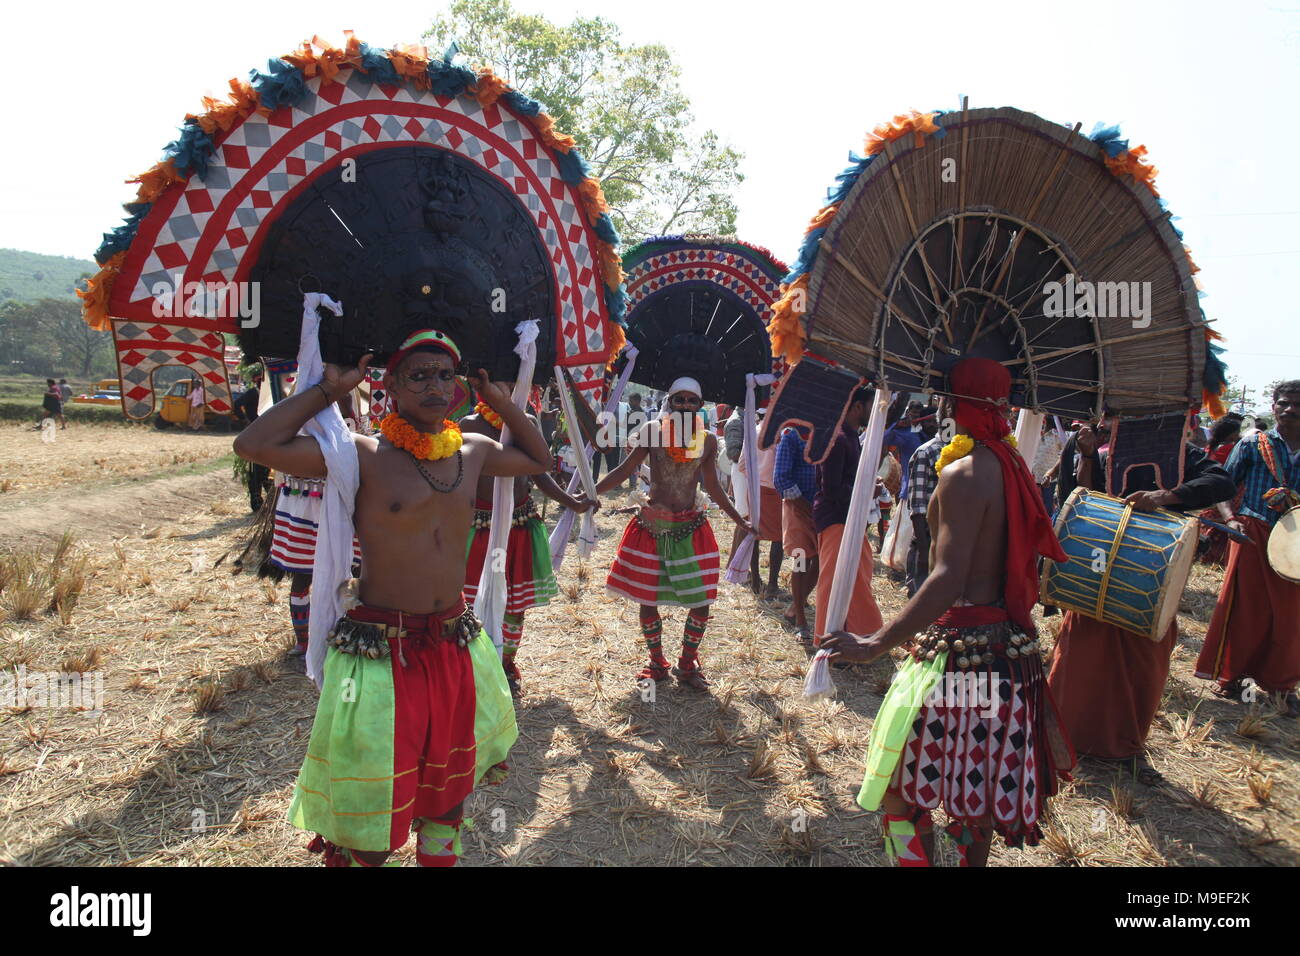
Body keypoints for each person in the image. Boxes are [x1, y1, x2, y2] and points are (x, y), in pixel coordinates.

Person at [233, 328, 547, 867]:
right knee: (369, 813)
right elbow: (255, 446)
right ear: (390, 386)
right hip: (380, 651)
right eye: (418, 375)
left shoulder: (472, 451)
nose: (435, 386)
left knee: (445, 801)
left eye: (445, 375)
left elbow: (537, 459)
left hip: (452, 643)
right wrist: (330, 390)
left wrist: (498, 401)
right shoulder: (360, 455)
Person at [822, 358, 1073, 866]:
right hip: (1007, 654)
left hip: (960, 655)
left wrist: (875, 643)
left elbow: (946, 578)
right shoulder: (1011, 466)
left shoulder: (963, 473)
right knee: (972, 797)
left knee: (900, 788)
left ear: (951, 401)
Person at [1046, 416, 1235, 781]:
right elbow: (1079, 500)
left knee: (1144, 666)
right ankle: (1061, 738)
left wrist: (1163, 497)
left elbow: (1220, 482)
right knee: (1081, 656)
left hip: (1152, 578)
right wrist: (1086, 456)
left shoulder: (1182, 454)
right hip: (1098, 572)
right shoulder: (1094, 449)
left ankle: (1127, 747)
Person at [596, 377, 753, 689]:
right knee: (647, 596)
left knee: (701, 598)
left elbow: (711, 486)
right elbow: (625, 470)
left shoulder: (707, 440)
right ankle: (656, 662)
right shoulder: (652, 432)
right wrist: (589, 493)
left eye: (691, 401)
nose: (684, 405)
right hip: (652, 525)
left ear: (699, 405)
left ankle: (687, 662)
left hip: (690, 527)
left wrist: (739, 518)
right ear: (669, 402)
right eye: (678, 399)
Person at [460, 391, 597, 696]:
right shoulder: (469, 424)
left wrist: (572, 503)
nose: (505, 387)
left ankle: (506, 667)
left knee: (514, 605)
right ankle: (474, 667)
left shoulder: (529, 421)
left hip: (519, 528)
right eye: (499, 381)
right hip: (480, 528)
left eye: (511, 381)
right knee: (472, 604)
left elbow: (539, 474)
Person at [1195, 381, 1300, 716]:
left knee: (1291, 617)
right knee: (1245, 610)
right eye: (1283, 403)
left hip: (1296, 544)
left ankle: (1281, 685)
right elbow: (1222, 485)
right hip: (1254, 531)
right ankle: (1235, 677)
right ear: (1274, 406)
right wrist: (1231, 519)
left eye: (1298, 404)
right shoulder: (1255, 443)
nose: (1290, 409)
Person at [813, 387, 885, 641]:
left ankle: (855, 636)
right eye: (870, 406)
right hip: (835, 518)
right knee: (835, 582)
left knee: (857, 577)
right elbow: (830, 488)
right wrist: (866, 491)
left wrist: (866, 486)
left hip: (848, 518)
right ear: (857, 407)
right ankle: (829, 639)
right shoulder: (838, 437)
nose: (873, 412)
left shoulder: (851, 435)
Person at [774, 424, 820, 643]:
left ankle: (795, 606)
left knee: (821, 561)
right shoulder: (791, 435)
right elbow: (781, 478)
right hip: (798, 507)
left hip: (822, 508)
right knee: (801, 562)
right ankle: (801, 620)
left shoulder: (828, 432)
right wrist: (805, 506)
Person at [905, 401, 948, 596]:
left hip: (946, 533)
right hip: (928, 534)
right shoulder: (926, 452)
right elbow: (917, 504)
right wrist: (924, 547)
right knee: (920, 593)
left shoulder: (964, 450)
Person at [233, 381, 270, 512]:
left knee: (266, 469)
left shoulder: (270, 393)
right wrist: (246, 421)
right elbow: (236, 405)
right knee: (256, 470)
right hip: (255, 437)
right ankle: (256, 502)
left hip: (268, 437)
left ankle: (270, 500)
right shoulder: (252, 393)